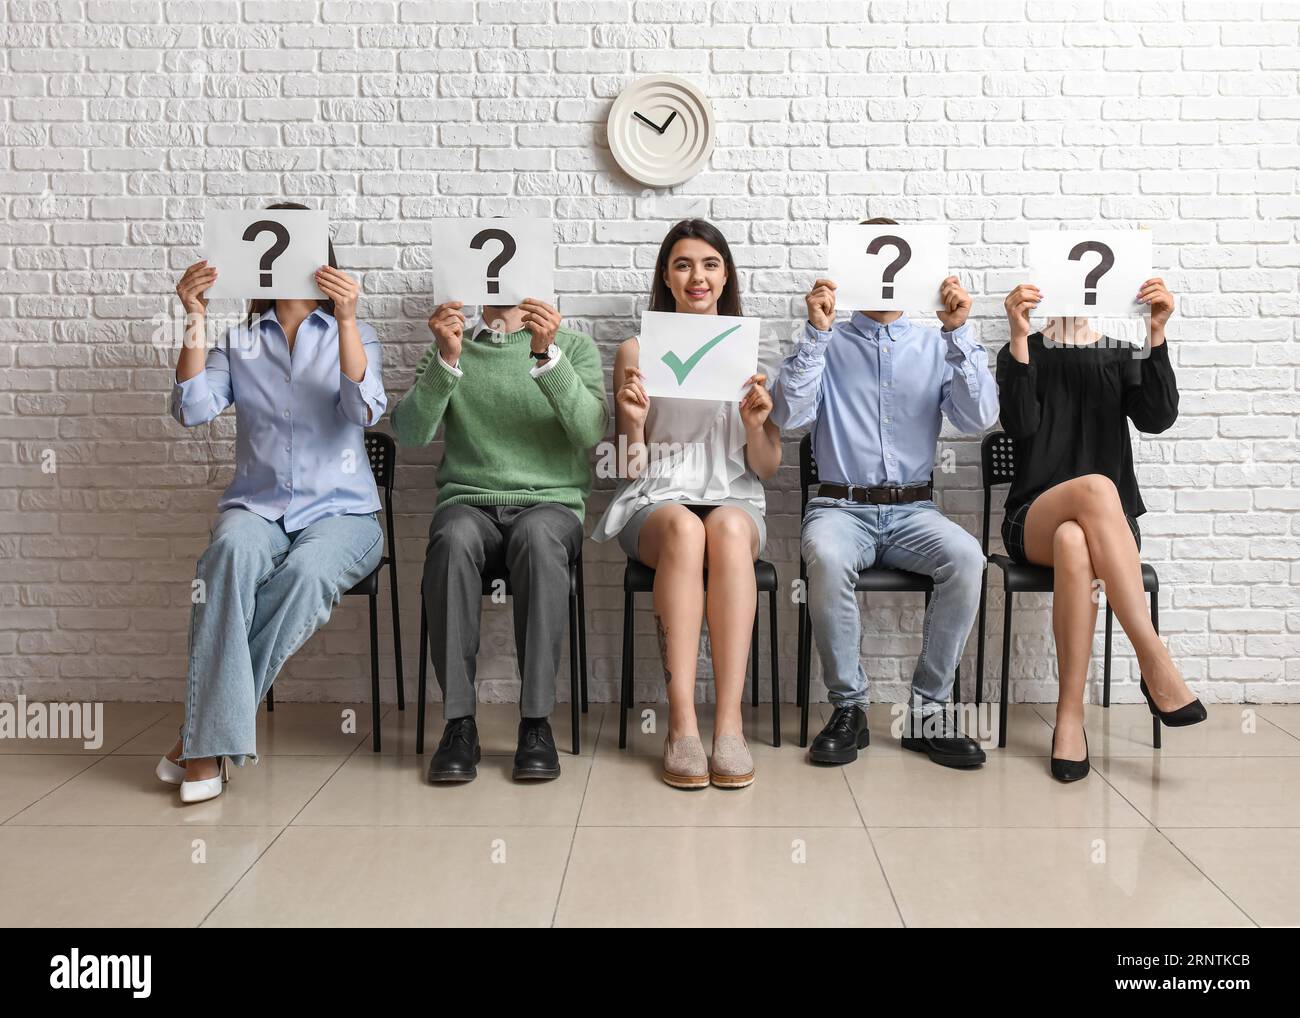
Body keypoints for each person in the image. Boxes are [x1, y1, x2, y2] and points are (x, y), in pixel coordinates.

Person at [156, 202, 386, 805]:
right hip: (258, 508)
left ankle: (201, 740)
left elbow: (363, 411)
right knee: (227, 554)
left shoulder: (352, 334)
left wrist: (348, 318)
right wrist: (195, 317)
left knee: (308, 575)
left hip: (343, 515)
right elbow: (192, 410)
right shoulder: (240, 343)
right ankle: (210, 734)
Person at [772, 217, 996, 769]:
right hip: (838, 507)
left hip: (913, 509)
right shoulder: (824, 341)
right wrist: (818, 334)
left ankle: (927, 712)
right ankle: (849, 708)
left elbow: (979, 416)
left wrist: (959, 334)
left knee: (968, 557)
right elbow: (787, 414)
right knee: (825, 557)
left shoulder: (936, 344)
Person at [592, 219, 781, 790]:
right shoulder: (637, 348)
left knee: (722, 530)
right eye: (682, 265)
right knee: (684, 529)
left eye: (709, 264)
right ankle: (681, 724)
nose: (696, 276)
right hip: (658, 498)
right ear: (666, 278)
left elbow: (767, 466)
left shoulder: (747, 349)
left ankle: (728, 725)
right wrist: (629, 419)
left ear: (725, 276)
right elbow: (626, 469)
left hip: (732, 495)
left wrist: (755, 425)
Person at [392, 286, 607, 784]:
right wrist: (447, 360)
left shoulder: (572, 348)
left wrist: (545, 354)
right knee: (450, 539)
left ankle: (536, 723)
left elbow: (590, 430)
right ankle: (459, 724)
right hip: (470, 505)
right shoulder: (451, 346)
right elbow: (410, 432)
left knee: (536, 538)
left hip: (551, 506)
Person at [997, 277, 1206, 782]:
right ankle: (1152, 657)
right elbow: (1020, 425)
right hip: (1032, 518)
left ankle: (1069, 719)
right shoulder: (1024, 351)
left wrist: (1155, 334)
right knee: (1094, 488)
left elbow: (1158, 418)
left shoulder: (1120, 353)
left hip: (1105, 537)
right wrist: (1021, 337)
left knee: (1077, 538)